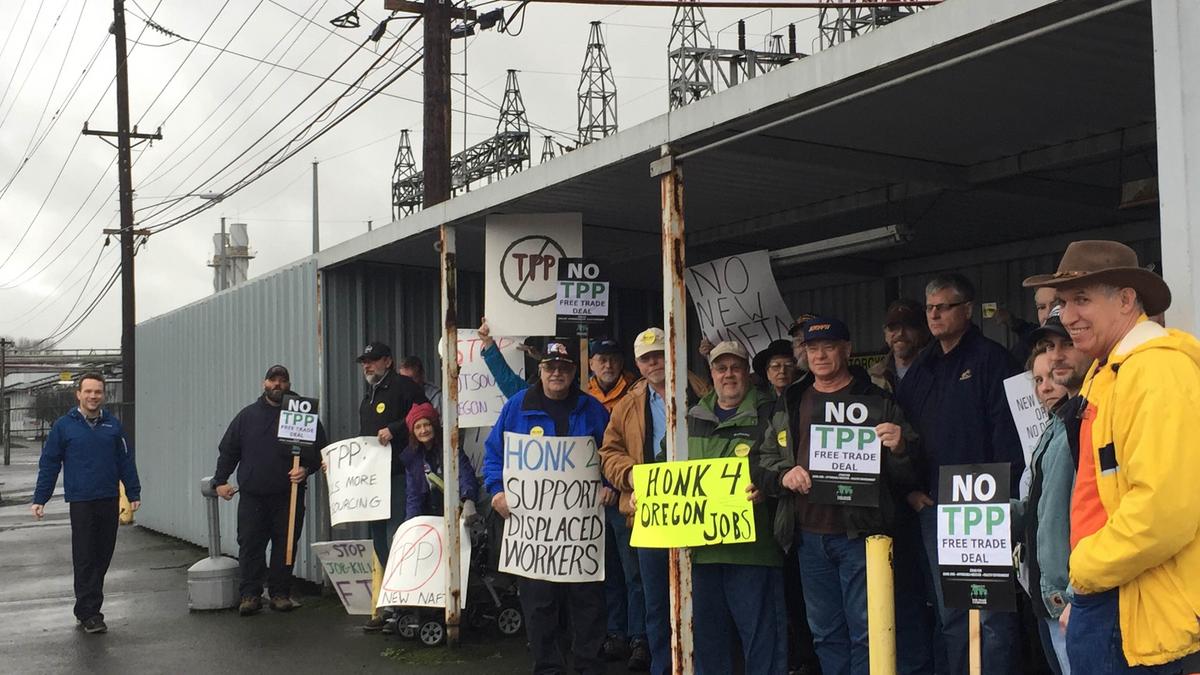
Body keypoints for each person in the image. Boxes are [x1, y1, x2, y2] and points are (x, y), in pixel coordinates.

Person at [1023, 240, 1200, 672]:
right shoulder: (1108, 371)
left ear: (1125, 300)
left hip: (1136, 609)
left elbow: (1163, 512)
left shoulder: (1156, 371)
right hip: (1115, 597)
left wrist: (1085, 574)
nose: (1067, 315)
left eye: (1082, 299)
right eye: (1063, 302)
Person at [759, 318, 917, 675]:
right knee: (825, 634)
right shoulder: (792, 399)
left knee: (868, 630)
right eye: (812, 348)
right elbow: (762, 459)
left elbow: (909, 475)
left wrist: (900, 447)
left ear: (847, 350)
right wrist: (784, 475)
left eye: (828, 347)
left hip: (861, 536)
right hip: (808, 536)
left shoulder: (877, 400)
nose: (819, 355)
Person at [895, 273, 1022, 675]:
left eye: (943, 307)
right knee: (950, 613)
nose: (934, 315)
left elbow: (1010, 435)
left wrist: (1005, 498)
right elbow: (903, 434)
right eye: (929, 308)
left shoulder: (993, 360)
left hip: (984, 505)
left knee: (990, 614)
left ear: (967, 310)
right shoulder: (921, 368)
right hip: (935, 506)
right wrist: (910, 489)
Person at [483, 341, 611, 675]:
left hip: (581, 532)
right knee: (539, 606)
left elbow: (612, 452)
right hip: (534, 534)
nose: (556, 373)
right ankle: (548, 668)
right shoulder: (517, 407)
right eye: (550, 367)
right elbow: (494, 453)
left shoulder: (592, 409)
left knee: (587, 605)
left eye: (563, 368)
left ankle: (588, 667)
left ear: (573, 372)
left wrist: (610, 486)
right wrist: (496, 491)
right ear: (540, 370)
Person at [599, 327, 712, 675]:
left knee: (702, 600)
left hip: (699, 511)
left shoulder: (703, 392)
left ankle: (699, 667)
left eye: (659, 355)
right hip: (650, 514)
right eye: (646, 359)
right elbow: (608, 453)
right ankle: (663, 667)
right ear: (637, 364)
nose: (654, 363)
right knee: (657, 603)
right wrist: (630, 476)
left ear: (673, 354)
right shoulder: (627, 404)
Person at [685, 341, 786, 675]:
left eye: (735, 367)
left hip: (754, 551)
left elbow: (787, 465)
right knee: (708, 645)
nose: (728, 375)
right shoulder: (690, 417)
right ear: (711, 374)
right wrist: (643, 491)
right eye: (720, 368)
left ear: (747, 372)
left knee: (762, 644)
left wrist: (767, 487)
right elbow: (664, 464)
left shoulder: (772, 413)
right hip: (702, 554)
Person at [31, 371, 141, 634]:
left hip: (108, 498)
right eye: (88, 391)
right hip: (81, 501)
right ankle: (90, 612)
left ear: (103, 395)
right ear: (78, 394)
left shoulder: (113, 426)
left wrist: (133, 492)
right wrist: (40, 498)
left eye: (98, 392)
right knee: (85, 556)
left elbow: (125, 460)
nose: (93, 396)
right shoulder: (64, 427)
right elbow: (50, 463)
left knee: (103, 555)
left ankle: (87, 606)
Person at [212, 365, 325, 616]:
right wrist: (220, 481)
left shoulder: (302, 415)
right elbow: (229, 450)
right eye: (273, 380)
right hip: (253, 496)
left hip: (288, 495)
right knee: (250, 545)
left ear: (288, 384)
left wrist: (306, 469)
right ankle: (250, 595)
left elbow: (320, 451)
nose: (277, 384)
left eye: (282, 380)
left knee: (285, 545)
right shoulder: (247, 416)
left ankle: (280, 593)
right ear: (264, 383)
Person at [581, 337, 648, 669]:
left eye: (613, 358)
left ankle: (638, 636)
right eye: (601, 359)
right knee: (605, 572)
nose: (607, 364)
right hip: (584, 500)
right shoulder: (582, 397)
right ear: (591, 363)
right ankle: (615, 633)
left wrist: (611, 484)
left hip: (623, 495)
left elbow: (617, 449)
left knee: (634, 570)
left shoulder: (637, 394)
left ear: (623, 363)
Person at [1011, 342, 1075, 675]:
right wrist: (997, 515)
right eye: (1037, 380)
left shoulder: (1077, 427)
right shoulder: (1054, 428)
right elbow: (1041, 506)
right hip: (1048, 594)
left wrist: (1074, 595)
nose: (1044, 388)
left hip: (1068, 596)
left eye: (1053, 375)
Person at [355, 341, 427, 630]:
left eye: (372, 360)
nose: (367, 365)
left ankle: (403, 601)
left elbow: (426, 414)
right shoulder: (368, 397)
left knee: (396, 534)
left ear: (388, 361)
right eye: (364, 361)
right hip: (374, 480)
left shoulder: (403, 386)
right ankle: (393, 600)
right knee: (379, 539)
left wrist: (395, 429)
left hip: (399, 473)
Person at [399, 402, 479, 520]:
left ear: (434, 425)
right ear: (413, 432)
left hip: (457, 510)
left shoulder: (450, 447)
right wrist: (410, 523)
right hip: (429, 516)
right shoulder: (411, 457)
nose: (423, 430)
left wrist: (469, 500)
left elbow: (464, 473)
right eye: (418, 427)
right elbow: (413, 495)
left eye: (427, 425)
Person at [869, 298, 931, 393]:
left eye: (909, 326)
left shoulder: (940, 372)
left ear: (924, 331)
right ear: (885, 332)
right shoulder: (872, 377)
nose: (900, 333)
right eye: (893, 327)